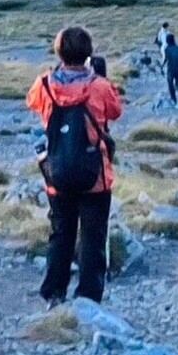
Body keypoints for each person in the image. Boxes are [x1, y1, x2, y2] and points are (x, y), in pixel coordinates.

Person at [26, 26, 123, 306]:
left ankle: (54, 293)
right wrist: (101, 78)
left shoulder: (44, 85)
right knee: (93, 236)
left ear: (59, 52)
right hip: (96, 176)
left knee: (61, 232)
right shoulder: (100, 87)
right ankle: (88, 298)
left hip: (57, 172)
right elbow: (116, 111)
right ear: (89, 53)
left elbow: (32, 102)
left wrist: (56, 74)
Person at [164, 34, 178, 105]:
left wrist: (162, 65)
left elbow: (166, 59)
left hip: (171, 70)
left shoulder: (167, 49)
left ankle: (174, 100)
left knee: (170, 85)